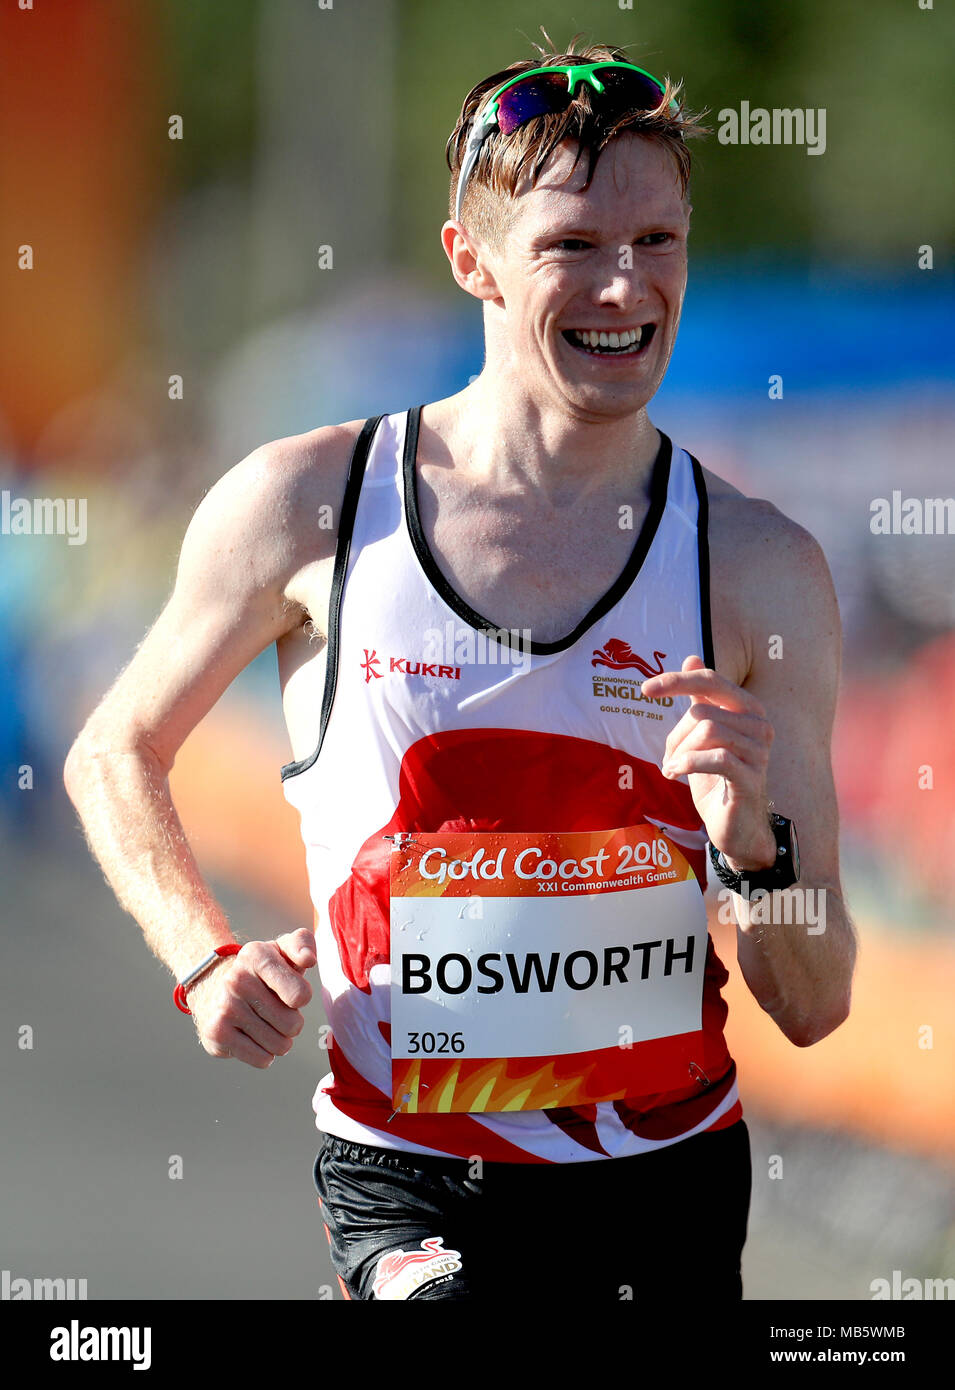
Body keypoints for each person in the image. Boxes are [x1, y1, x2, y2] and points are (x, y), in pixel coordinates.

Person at [63, 34, 856, 1303]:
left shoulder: (758, 568)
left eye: (658, 243)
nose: (624, 288)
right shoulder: (310, 504)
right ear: (469, 259)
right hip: (416, 1177)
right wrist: (203, 956)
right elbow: (115, 749)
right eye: (572, 247)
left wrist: (753, 849)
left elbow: (814, 1001)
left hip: (667, 1178)